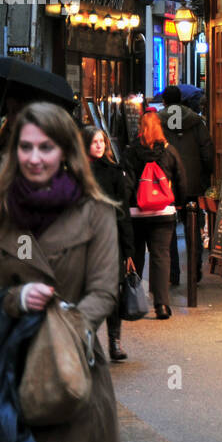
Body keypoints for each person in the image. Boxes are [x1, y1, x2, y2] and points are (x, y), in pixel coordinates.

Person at [0, 101, 122, 442]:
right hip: (10, 371)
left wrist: (72, 326)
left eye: (46, 147)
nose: (34, 158)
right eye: (26, 147)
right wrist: (17, 299)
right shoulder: (0, 212)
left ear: (65, 151)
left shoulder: (95, 211)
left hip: (73, 373)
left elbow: (103, 290)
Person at [122, 110, 186, 319]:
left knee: (137, 255)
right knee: (161, 257)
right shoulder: (169, 151)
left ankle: (135, 300)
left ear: (141, 128)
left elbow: (127, 184)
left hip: (136, 212)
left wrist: (126, 206)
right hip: (163, 212)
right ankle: (162, 305)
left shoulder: (131, 152)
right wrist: (180, 203)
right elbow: (181, 179)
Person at [83, 125, 134, 362]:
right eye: (94, 142)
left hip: (110, 240)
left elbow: (122, 211)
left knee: (112, 292)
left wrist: (128, 249)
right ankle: (88, 341)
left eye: (101, 141)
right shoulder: (76, 173)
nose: (99, 145)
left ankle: (115, 340)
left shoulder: (115, 172)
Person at [159, 86, 215, 286]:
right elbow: (207, 150)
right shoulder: (196, 121)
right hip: (192, 183)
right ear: (181, 100)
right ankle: (195, 270)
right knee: (194, 227)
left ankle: (172, 273)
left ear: (164, 101)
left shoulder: (158, 120)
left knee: (169, 229)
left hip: (166, 183)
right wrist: (206, 175)